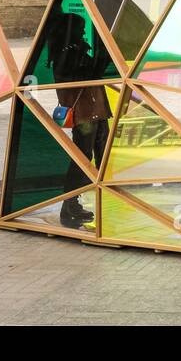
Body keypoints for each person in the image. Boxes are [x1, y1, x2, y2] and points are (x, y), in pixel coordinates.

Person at [48, 13, 111, 229]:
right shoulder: (66, 54)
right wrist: (102, 52)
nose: (83, 32)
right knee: (82, 157)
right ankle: (70, 205)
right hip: (84, 112)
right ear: (69, 31)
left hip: (96, 109)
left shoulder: (75, 51)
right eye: (80, 28)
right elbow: (87, 75)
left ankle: (75, 203)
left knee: (97, 154)